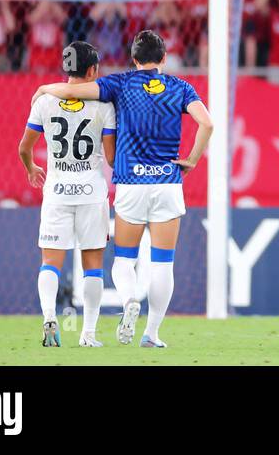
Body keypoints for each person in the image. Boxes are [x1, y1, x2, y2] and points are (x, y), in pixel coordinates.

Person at [32, 29, 214, 349]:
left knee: (123, 260)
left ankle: (129, 299)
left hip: (131, 183)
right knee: (162, 263)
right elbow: (207, 124)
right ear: (164, 59)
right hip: (168, 182)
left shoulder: (121, 83)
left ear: (133, 59)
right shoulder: (181, 87)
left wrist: (46, 87)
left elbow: (74, 92)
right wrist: (193, 159)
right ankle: (152, 333)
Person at [19, 41, 115, 348]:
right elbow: (111, 158)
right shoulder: (104, 105)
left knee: (50, 262)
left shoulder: (44, 101)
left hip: (57, 192)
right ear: (91, 71)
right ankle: (88, 334)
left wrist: (32, 168)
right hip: (91, 192)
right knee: (93, 265)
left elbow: (24, 147)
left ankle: (50, 317)